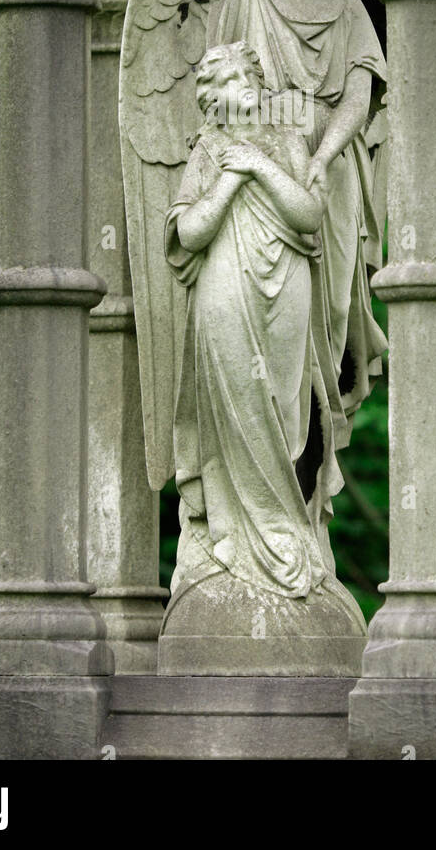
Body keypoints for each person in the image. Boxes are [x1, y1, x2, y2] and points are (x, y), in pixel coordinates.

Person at [165, 41, 350, 600]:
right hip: (225, 284)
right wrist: (229, 177)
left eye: (246, 77)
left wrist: (259, 164)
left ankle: (290, 527)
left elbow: (309, 215)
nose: (238, 87)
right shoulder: (207, 150)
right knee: (234, 399)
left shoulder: (290, 142)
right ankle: (241, 536)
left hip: (287, 282)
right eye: (223, 82)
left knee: (283, 403)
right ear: (211, 98)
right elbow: (190, 233)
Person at [208, 0, 387, 425]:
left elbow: (358, 98)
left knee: (331, 304)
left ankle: (319, 437)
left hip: (332, 165)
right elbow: (213, 88)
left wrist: (322, 156)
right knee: (269, 302)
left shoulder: (350, 8)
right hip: (261, 164)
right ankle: (269, 437)